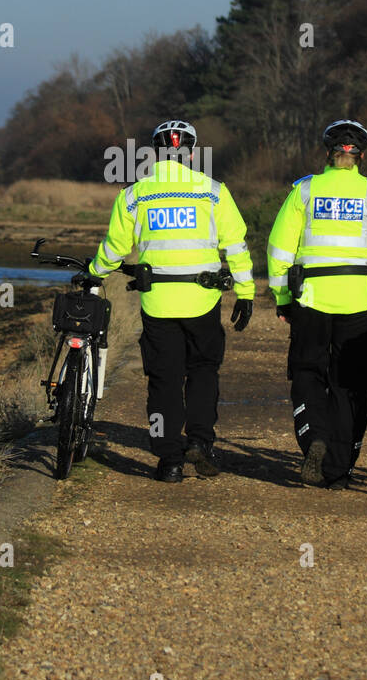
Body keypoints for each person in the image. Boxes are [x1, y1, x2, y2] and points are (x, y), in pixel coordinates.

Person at [88, 120, 255, 482]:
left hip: (158, 303)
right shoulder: (213, 191)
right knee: (203, 372)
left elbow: (115, 249)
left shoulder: (135, 194)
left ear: (155, 153)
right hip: (203, 301)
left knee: (163, 379)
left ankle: (169, 461)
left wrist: (94, 273)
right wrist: (245, 291)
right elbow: (236, 246)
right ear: (192, 153)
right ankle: (200, 441)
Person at [267, 120, 367, 489]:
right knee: (353, 385)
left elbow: (279, 250)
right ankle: (338, 469)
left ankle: (314, 436)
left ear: (328, 156)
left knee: (308, 373)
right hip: (360, 302)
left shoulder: (304, 191)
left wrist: (283, 297)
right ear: (360, 157)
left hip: (311, 300)